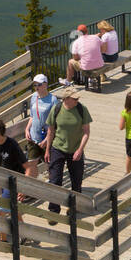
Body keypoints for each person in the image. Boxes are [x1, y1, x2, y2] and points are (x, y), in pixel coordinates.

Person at [45, 86, 91, 214]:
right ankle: (54, 210)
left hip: (76, 149)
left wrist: (80, 150)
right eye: (74, 99)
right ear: (66, 99)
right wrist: (47, 150)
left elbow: (86, 132)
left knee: (76, 180)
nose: (77, 101)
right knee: (55, 180)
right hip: (57, 148)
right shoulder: (57, 109)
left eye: (77, 98)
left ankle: (74, 207)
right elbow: (51, 130)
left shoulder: (82, 109)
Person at [0, 118, 30, 224]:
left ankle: (4, 240)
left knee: (0, 211)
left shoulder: (12, 145)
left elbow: (28, 168)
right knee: (11, 208)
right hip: (2, 181)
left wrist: (24, 189)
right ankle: (24, 232)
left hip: (15, 181)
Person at [23, 74, 56, 180]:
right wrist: (27, 129)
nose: (37, 87)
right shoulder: (33, 97)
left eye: (39, 85)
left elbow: (55, 124)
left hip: (46, 138)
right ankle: (30, 188)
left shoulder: (53, 100)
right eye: (35, 85)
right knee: (31, 164)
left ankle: (51, 183)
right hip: (33, 136)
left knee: (49, 163)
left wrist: (47, 140)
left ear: (45, 84)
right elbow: (32, 115)